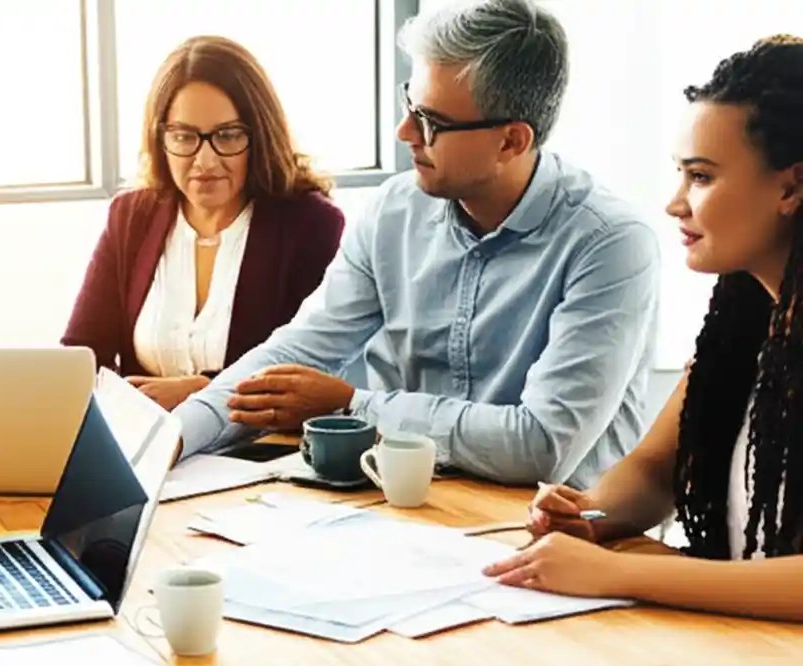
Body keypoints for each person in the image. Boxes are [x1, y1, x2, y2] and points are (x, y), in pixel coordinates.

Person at [173, 0, 660, 489]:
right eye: (411, 104)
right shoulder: (394, 212)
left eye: (431, 122)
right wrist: (172, 438)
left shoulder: (610, 245)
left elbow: (539, 445)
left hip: (560, 536)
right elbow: (297, 352)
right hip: (411, 509)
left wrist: (352, 403)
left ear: (511, 141)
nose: (404, 133)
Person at [484, 36, 803, 621]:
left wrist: (619, 570)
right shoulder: (747, 319)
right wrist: (594, 515)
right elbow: (656, 468)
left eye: (701, 177)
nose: (675, 203)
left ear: (790, 187)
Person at [63, 35, 344, 412]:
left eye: (227, 136)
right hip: (144, 448)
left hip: (256, 451)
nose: (205, 161)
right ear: (160, 138)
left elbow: (316, 372)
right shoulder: (131, 217)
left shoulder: (311, 226)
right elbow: (82, 356)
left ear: (258, 135)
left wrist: (203, 390)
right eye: (184, 136)